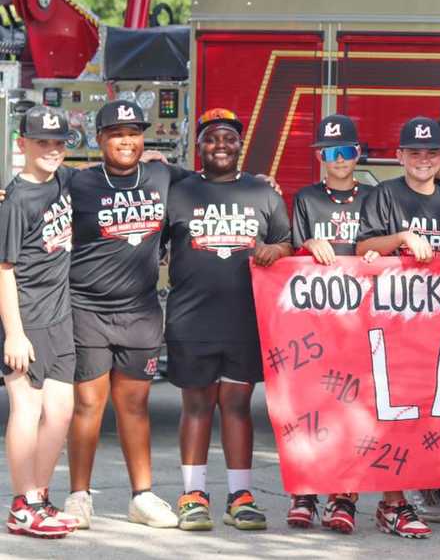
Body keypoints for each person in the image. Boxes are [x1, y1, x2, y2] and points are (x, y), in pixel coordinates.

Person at [164, 108, 292, 532]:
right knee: (197, 405)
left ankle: (241, 495)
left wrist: (279, 251)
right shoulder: (178, 192)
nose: (221, 145)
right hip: (191, 319)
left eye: (229, 138)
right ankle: (193, 494)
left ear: (240, 145)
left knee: (237, 406)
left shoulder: (263, 192)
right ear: (198, 146)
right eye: (211, 138)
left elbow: (286, 242)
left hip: (245, 320)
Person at [63, 100, 186, 530]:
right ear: (99, 140)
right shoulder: (77, 183)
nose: (127, 141)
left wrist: (260, 181)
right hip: (87, 309)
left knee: (134, 406)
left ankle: (143, 496)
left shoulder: (161, 175)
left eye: (133, 133)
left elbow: (214, 185)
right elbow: (32, 193)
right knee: (87, 405)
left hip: (140, 312)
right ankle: (79, 497)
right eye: (116, 134)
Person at [356, 116, 440, 538]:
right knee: (395, 413)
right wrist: (402, 237)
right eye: (414, 152)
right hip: (392, 322)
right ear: (400, 156)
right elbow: (364, 246)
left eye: (431, 153)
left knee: (432, 414)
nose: (423, 160)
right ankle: (392, 503)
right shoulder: (384, 195)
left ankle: (425, 493)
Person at [285, 114, 375, 533]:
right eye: (331, 152)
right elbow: (293, 253)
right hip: (315, 320)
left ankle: (344, 497)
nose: (340, 159)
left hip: (360, 321)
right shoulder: (305, 198)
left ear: (358, 154)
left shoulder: (374, 197)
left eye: (348, 151)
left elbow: (382, 243)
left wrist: (376, 253)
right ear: (320, 156)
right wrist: (306, 243)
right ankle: (304, 491)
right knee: (311, 408)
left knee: (354, 411)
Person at [2, 106, 78, 538]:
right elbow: (3, 269)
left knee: (61, 412)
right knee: (27, 410)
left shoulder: (63, 181)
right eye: (42, 142)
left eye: (59, 142)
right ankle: (22, 505)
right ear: (22, 145)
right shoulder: (14, 201)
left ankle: (40, 498)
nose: (51, 149)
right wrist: (13, 332)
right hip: (25, 320)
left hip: (60, 316)